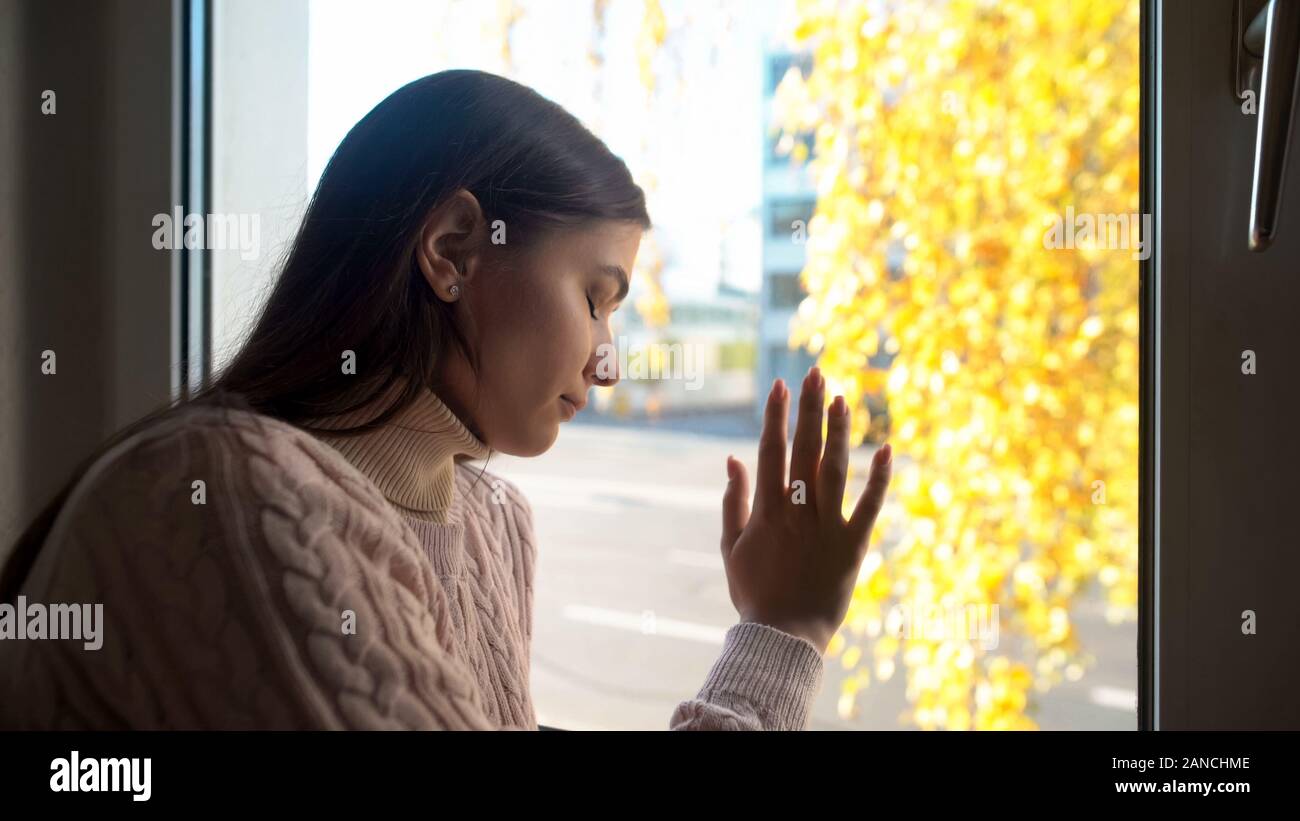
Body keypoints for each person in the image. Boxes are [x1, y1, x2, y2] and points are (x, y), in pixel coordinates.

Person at [0, 69, 892, 730]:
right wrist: (784, 633)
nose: (608, 363)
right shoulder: (233, 498)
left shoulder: (491, 523)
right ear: (454, 248)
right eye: (595, 297)